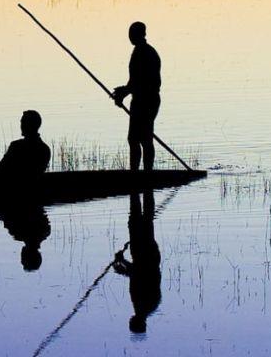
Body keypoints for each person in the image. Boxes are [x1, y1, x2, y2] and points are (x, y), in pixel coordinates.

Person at [112, 22, 161, 171]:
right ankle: (136, 172)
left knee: (144, 139)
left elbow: (142, 82)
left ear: (141, 34)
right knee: (134, 139)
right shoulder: (138, 51)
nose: (130, 37)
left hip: (147, 101)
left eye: (132, 34)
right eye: (130, 34)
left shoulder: (145, 53)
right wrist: (123, 92)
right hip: (139, 100)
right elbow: (134, 81)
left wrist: (124, 92)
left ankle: (146, 173)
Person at [112, 191, 162, 334]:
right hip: (146, 254)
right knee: (140, 219)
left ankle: (141, 190)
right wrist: (123, 263)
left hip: (146, 254)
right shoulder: (146, 304)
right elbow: (142, 273)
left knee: (140, 219)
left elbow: (138, 275)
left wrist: (123, 267)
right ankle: (141, 189)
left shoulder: (145, 306)